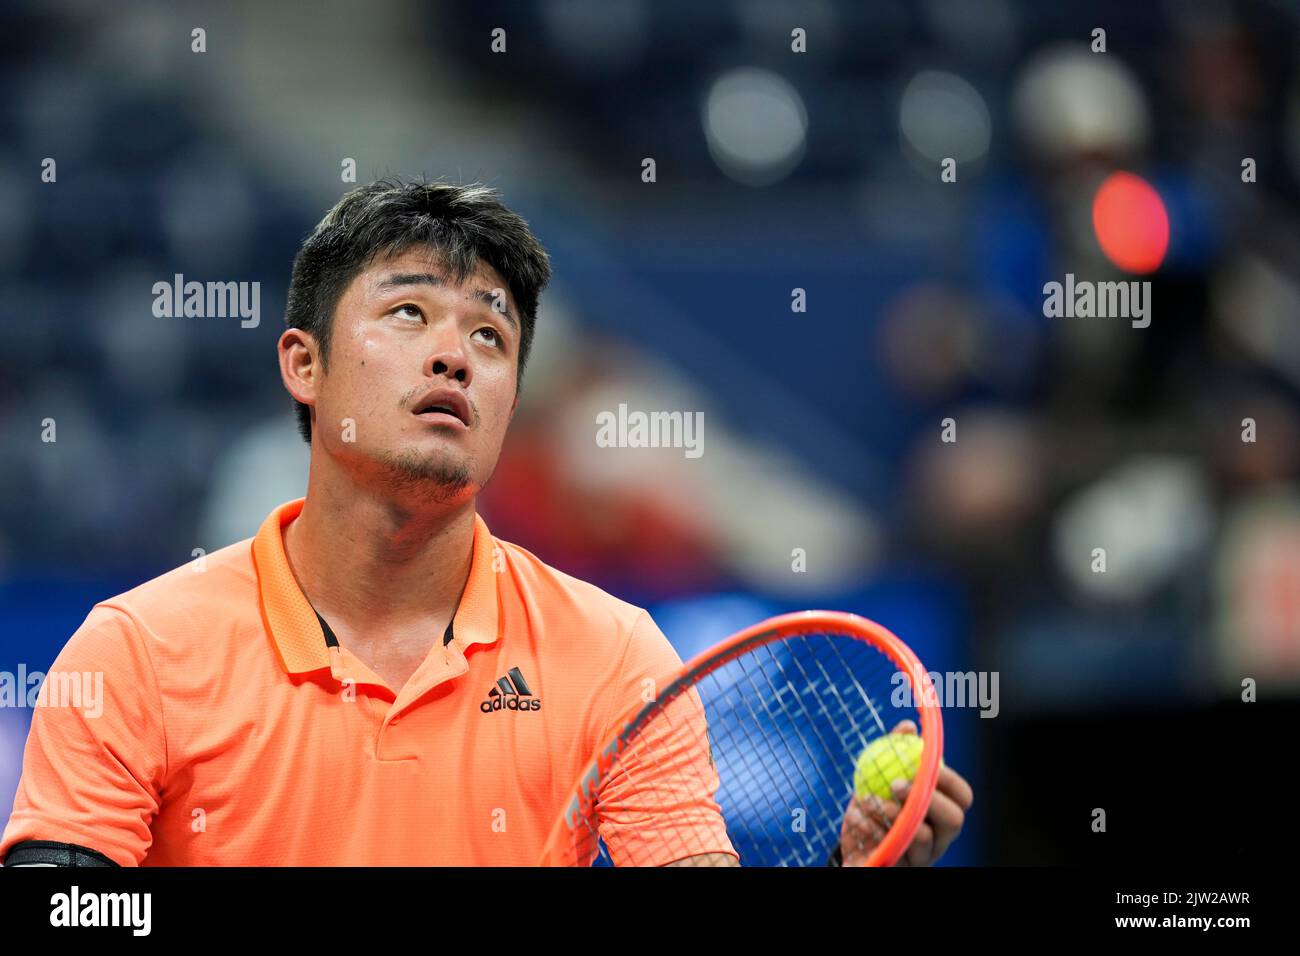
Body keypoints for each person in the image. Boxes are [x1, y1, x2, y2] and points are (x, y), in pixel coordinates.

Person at [1, 179, 970, 867]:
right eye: (409, 314)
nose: (455, 356)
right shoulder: (136, 650)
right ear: (304, 365)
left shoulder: (613, 655)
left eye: (490, 334)